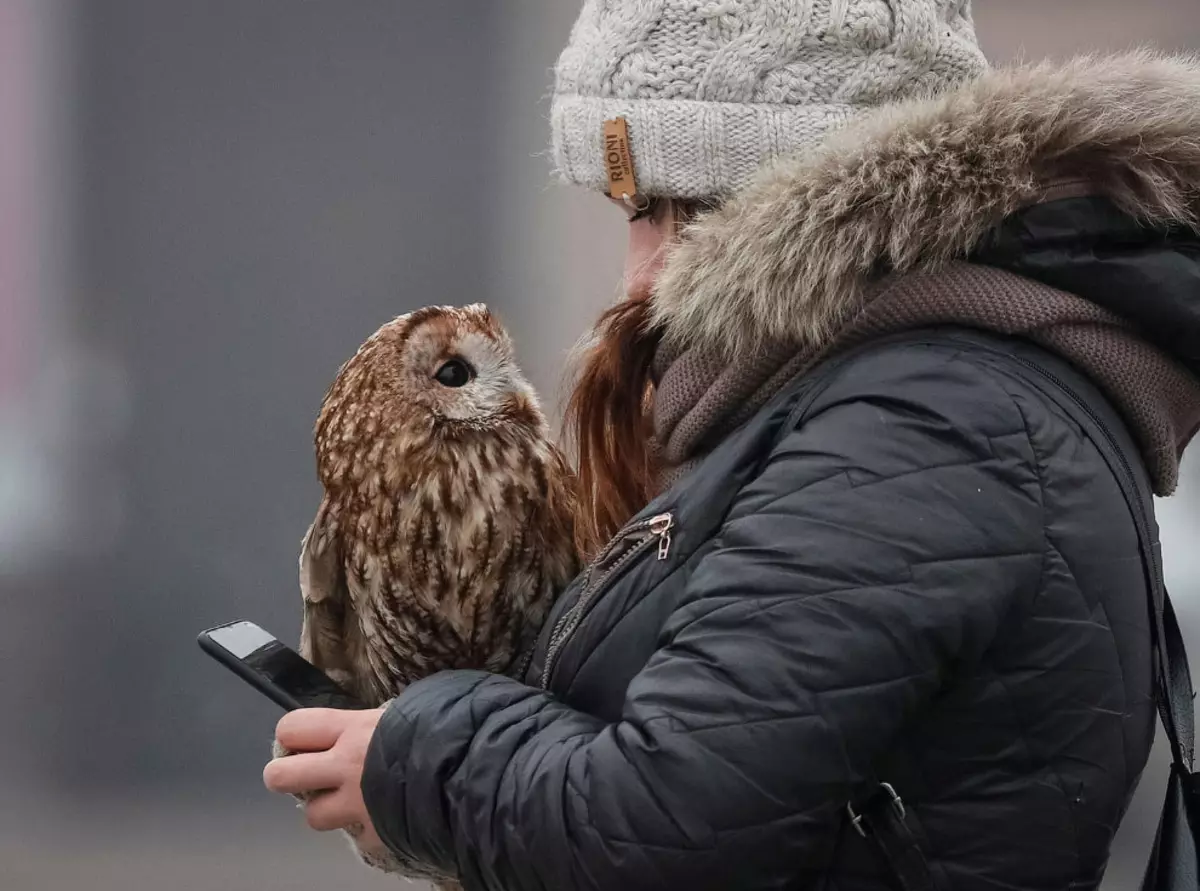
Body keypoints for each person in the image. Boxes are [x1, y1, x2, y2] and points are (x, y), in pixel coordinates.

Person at [262, 2, 1200, 888]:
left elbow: (660, 826)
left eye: (644, 208)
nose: (635, 279)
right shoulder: (912, 400)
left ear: (759, 201)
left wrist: (417, 762)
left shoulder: (931, 426)